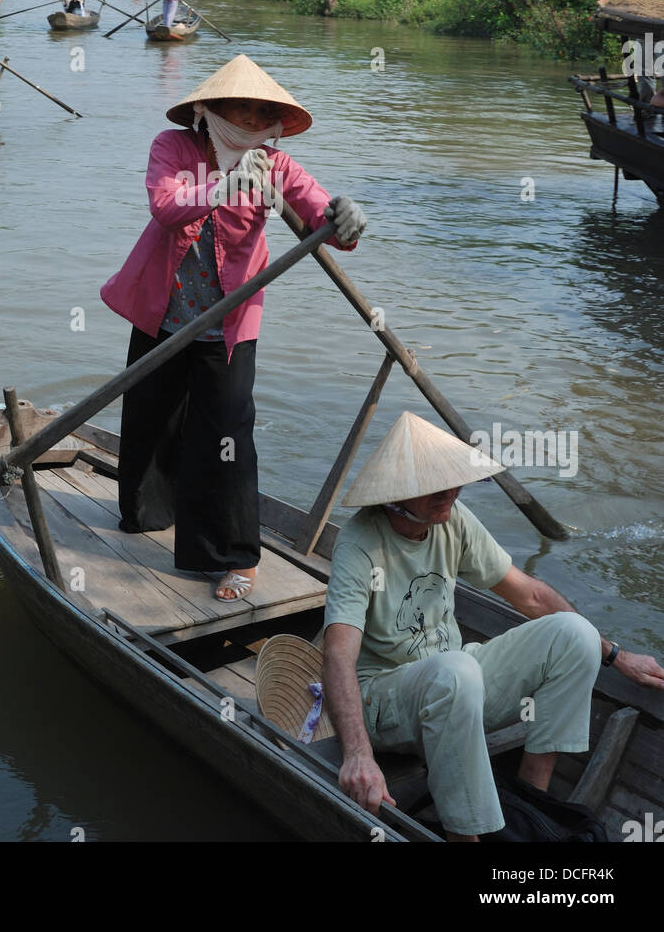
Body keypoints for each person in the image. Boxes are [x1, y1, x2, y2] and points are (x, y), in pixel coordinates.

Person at [322, 411, 664, 842]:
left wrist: (615, 654)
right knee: (455, 671)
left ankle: (528, 802)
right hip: (387, 702)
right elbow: (337, 653)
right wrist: (357, 754)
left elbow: (532, 596)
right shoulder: (360, 544)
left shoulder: (453, 520)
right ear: (397, 495)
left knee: (572, 633)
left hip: (455, 682)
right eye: (432, 486)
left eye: (453, 481)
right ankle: (467, 836)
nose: (449, 493)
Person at [100, 54, 367, 601]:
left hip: (228, 322)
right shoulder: (172, 148)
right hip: (163, 314)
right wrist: (221, 186)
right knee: (150, 418)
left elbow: (319, 214)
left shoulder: (275, 165)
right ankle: (148, 515)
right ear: (208, 112)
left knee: (225, 436)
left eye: (258, 114)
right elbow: (165, 205)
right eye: (238, 111)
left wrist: (343, 217)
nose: (248, 122)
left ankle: (232, 556)